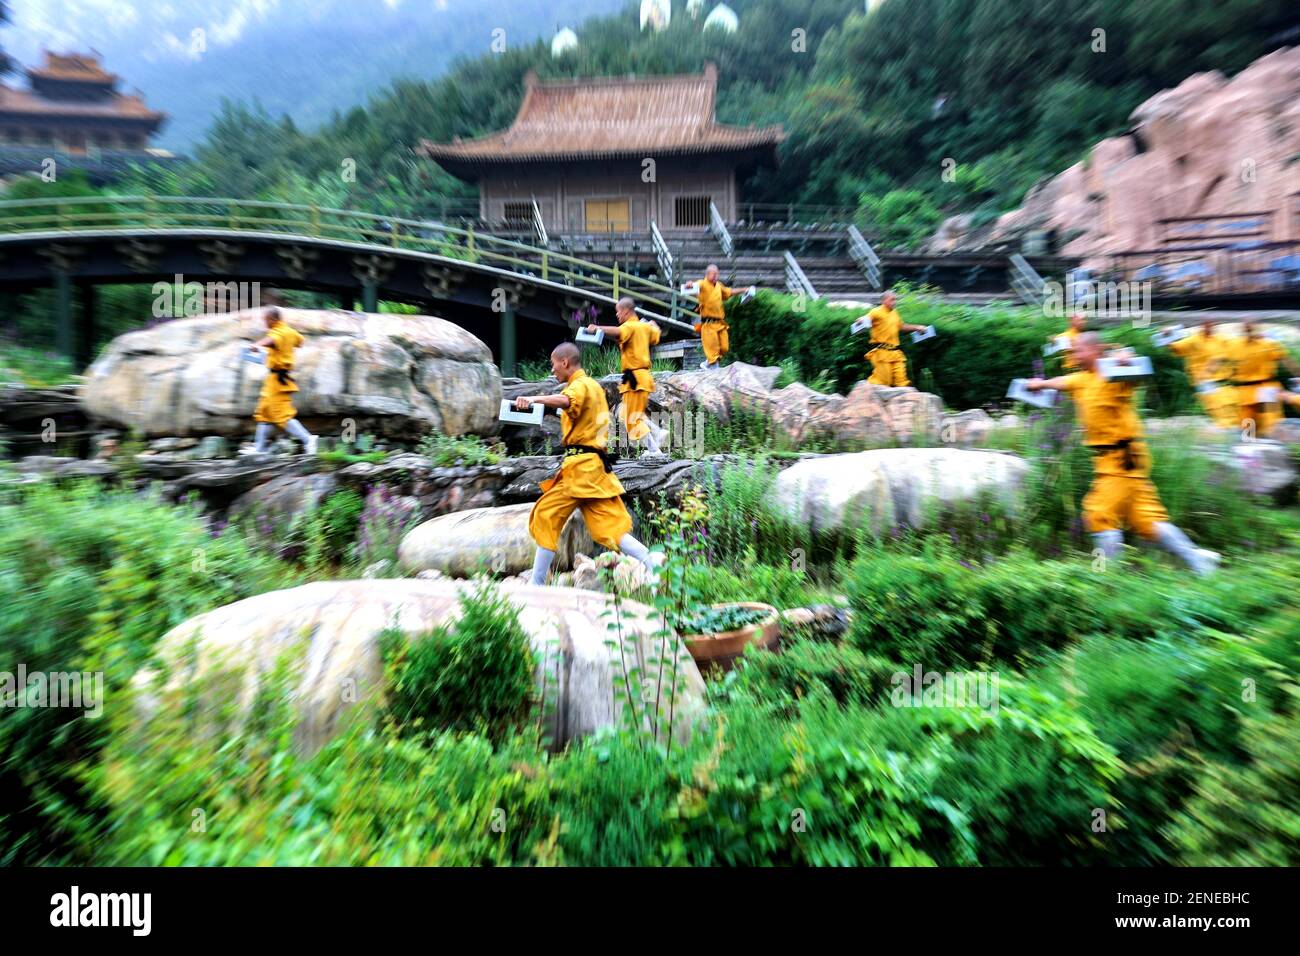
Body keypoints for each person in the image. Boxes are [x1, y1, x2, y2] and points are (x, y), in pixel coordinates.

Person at [1027, 333, 1219, 576]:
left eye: (1078, 350)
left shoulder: (1115, 375)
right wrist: (1041, 384)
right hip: (1112, 459)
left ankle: (1106, 576)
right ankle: (1198, 559)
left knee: (1098, 512)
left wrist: (1126, 358)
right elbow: (1063, 382)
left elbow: (1136, 371)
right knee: (1146, 521)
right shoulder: (1082, 379)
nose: (1073, 355)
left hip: (1122, 458)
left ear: (1095, 351)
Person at [515, 342, 663, 587]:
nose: (552, 370)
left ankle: (537, 582)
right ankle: (650, 560)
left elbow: (567, 401)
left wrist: (533, 399)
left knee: (546, 514)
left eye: (553, 364)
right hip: (593, 468)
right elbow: (579, 415)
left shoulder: (579, 386)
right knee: (608, 526)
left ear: (565, 362)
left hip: (580, 469)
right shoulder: (594, 387)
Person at [585, 296, 670, 454]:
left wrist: (598, 328)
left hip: (635, 377)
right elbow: (656, 334)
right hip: (642, 377)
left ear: (626, 311)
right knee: (628, 413)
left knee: (632, 418)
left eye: (618, 312)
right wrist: (654, 326)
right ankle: (657, 433)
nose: (617, 315)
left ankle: (654, 450)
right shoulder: (645, 327)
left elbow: (618, 331)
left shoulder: (630, 326)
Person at [246, 306, 317, 455]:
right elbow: (300, 340)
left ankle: (308, 439)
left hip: (279, 380)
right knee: (264, 411)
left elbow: (272, 339)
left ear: (272, 319)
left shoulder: (279, 332)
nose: (264, 323)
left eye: (265, 320)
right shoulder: (289, 331)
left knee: (281, 415)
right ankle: (259, 448)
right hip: (273, 379)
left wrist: (256, 345)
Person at [1161, 318, 1237, 428]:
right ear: (1201, 324)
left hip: (1224, 382)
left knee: (1230, 408)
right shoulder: (1193, 340)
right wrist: (1166, 334)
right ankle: (1227, 431)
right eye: (1205, 322)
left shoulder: (1222, 340)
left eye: (1211, 322)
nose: (1208, 325)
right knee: (1218, 409)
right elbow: (1173, 347)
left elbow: (1234, 350)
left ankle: (1234, 433)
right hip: (1205, 383)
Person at [1228, 321, 1300, 438]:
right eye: (1245, 324)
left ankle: (1274, 449)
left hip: (1266, 389)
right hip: (1245, 391)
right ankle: (1249, 450)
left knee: (1270, 423)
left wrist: (1298, 374)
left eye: (1251, 324)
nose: (1248, 326)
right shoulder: (1234, 345)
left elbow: (1287, 362)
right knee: (1248, 426)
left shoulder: (1269, 344)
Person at [856, 290, 929, 387]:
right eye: (892, 300)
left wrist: (917, 327)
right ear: (884, 301)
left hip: (895, 353)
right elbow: (866, 318)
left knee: (902, 381)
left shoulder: (894, 313)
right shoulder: (876, 311)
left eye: (895, 300)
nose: (894, 302)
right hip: (882, 352)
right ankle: (864, 393)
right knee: (882, 382)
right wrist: (861, 319)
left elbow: (901, 326)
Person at [693, 263, 740, 370]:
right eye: (713, 274)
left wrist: (744, 290)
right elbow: (695, 285)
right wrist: (690, 285)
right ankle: (713, 366)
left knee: (724, 347)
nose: (716, 276)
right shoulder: (702, 283)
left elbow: (730, 292)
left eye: (717, 274)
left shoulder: (719, 285)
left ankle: (707, 363)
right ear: (707, 274)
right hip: (708, 323)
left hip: (720, 322)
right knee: (712, 349)